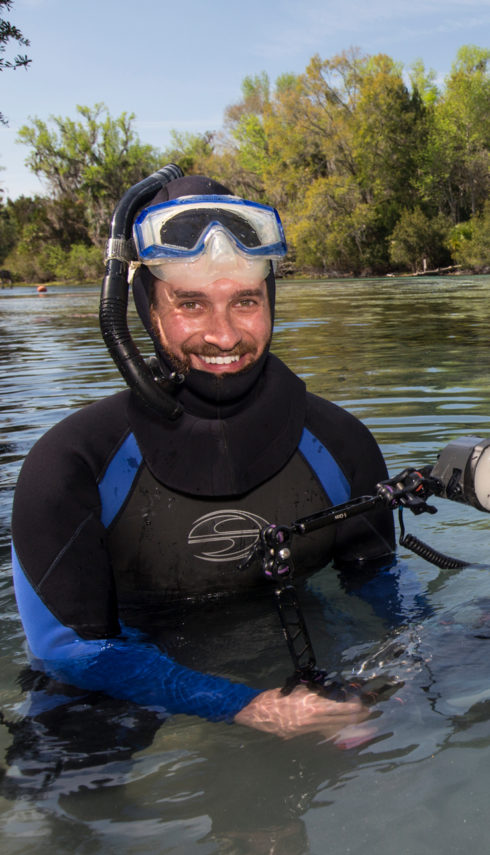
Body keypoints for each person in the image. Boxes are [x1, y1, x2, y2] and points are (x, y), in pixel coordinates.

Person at [11, 171, 395, 740]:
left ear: (270, 300)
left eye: (245, 301)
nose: (223, 335)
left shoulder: (341, 444)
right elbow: (69, 652)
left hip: (297, 645)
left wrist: (393, 673)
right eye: (191, 303)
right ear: (148, 310)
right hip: (123, 667)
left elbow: (381, 588)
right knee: (72, 805)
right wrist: (241, 705)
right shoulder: (72, 465)